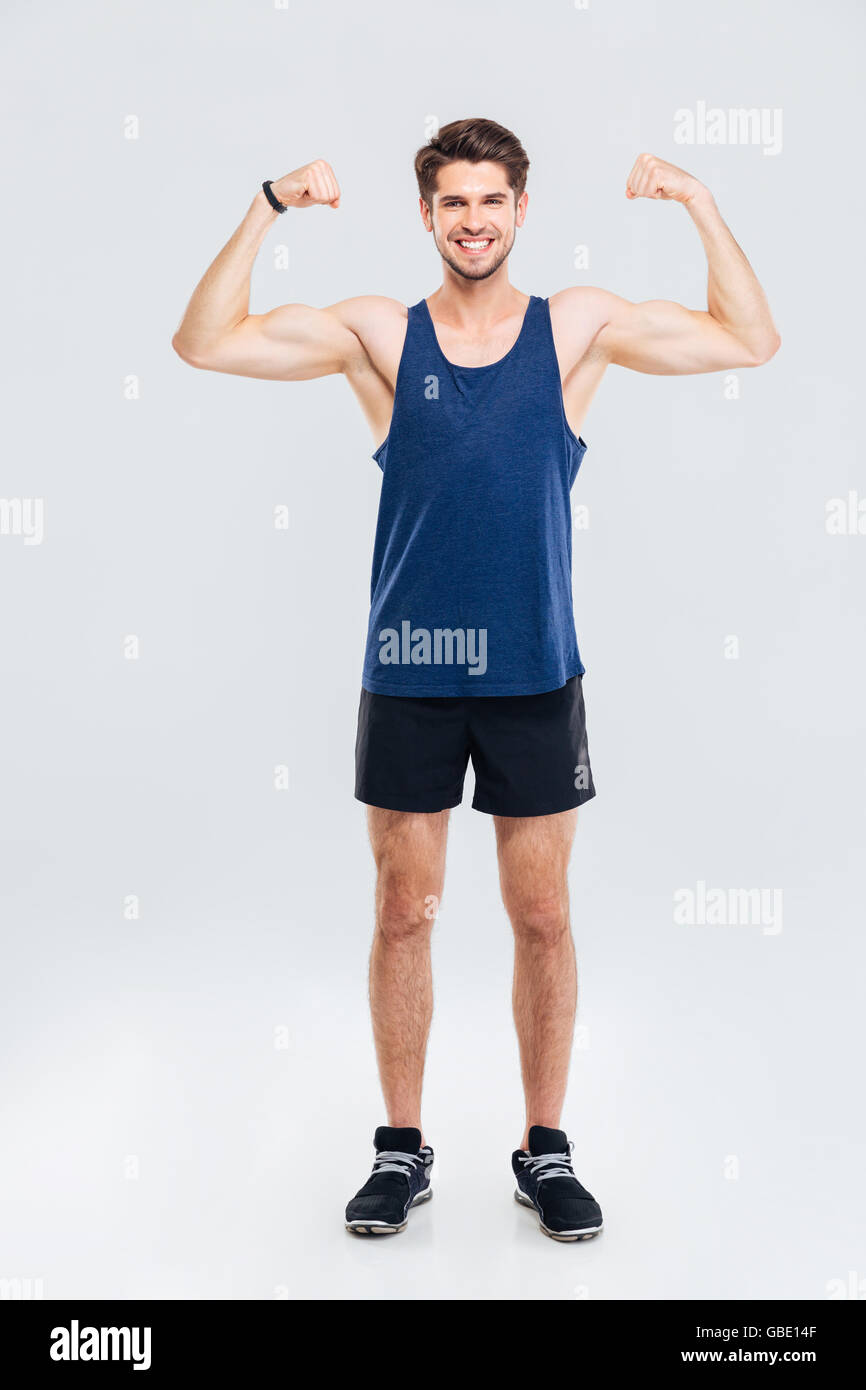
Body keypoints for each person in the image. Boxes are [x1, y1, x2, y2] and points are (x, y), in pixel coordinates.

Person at [172, 118, 780, 1241]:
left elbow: (750, 338)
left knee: (540, 914)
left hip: (534, 672)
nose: (472, 220)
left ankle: (542, 1149)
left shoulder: (576, 330)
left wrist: (696, 198)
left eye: (490, 200)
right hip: (407, 670)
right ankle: (400, 1151)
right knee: (404, 910)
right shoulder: (380, 337)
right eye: (452, 202)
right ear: (426, 215)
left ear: (519, 209)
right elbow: (202, 342)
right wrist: (268, 203)